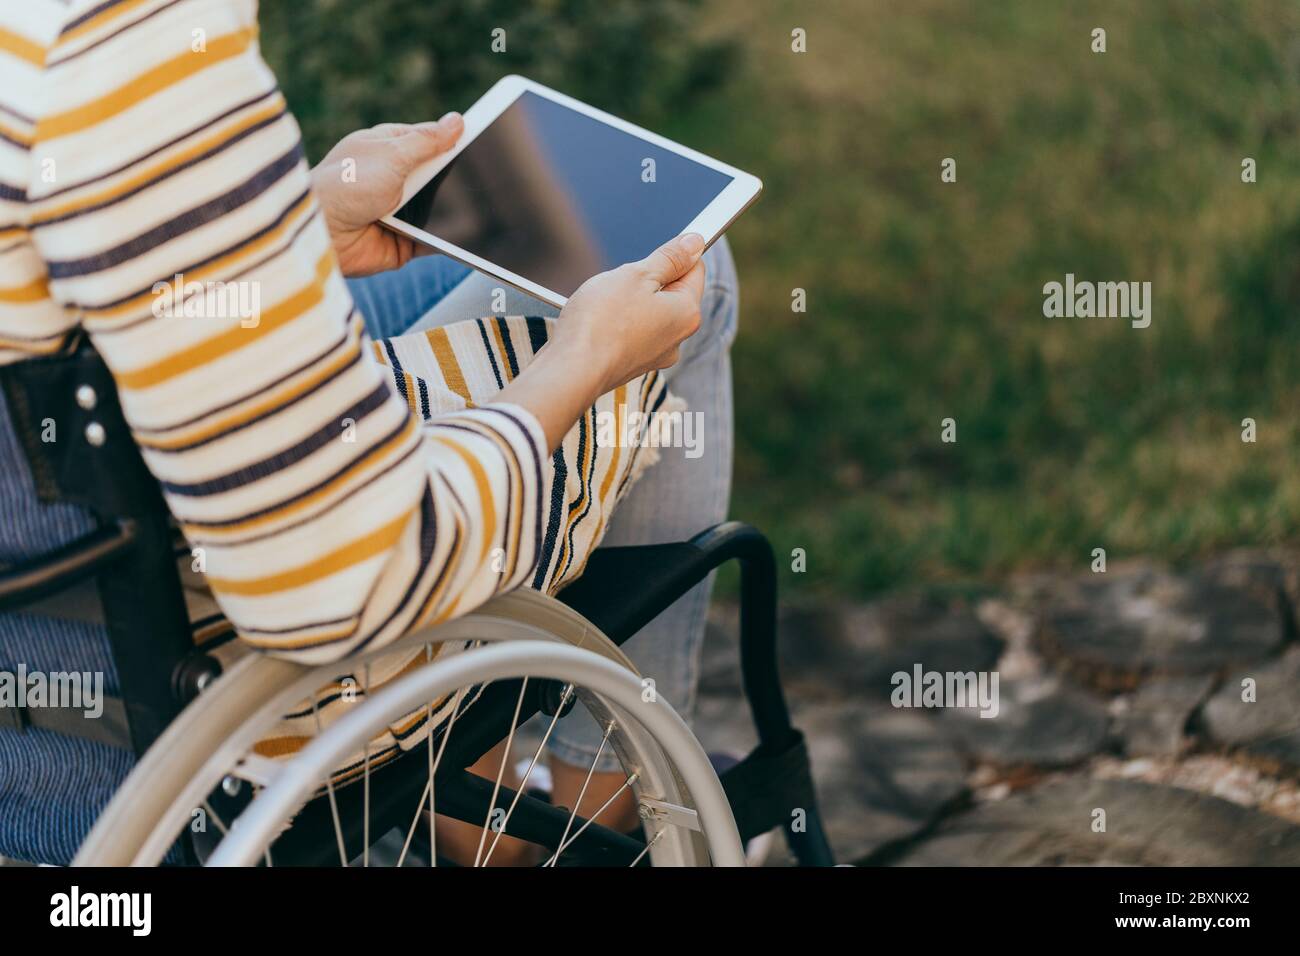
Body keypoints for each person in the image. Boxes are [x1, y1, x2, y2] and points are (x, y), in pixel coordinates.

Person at [0, 0, 736, 863]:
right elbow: (344, 580)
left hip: (41, 660)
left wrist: (286, 235)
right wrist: (577, 365)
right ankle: (592, 804)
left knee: (492, 277)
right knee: (688, 267)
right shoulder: (120, 41)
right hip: (202, 703)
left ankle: (481, 814)